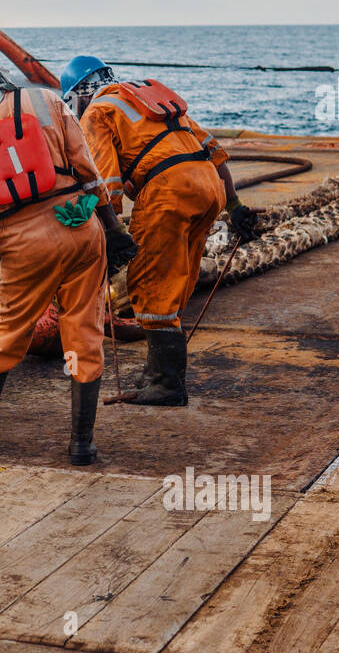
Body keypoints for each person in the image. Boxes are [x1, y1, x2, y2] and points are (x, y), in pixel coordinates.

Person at [0, 32, 136, 466]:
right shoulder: (50, 102)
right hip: (83, 229)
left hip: (25, 245)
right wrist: (114, 229)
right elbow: (88, 172)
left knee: (9, 334)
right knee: (84, 334)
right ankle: (81, 445)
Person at [61, 56, 259, 406]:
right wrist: (235, 206)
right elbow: (214, 152)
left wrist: (112, 230)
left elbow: (103, 181)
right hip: (209, 188)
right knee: (177, 276)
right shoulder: (149, 98)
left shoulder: (97, 112)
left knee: (151, 282)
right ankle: (157, 373)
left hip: (168, 192)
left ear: (80, 93)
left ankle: (167, 385)